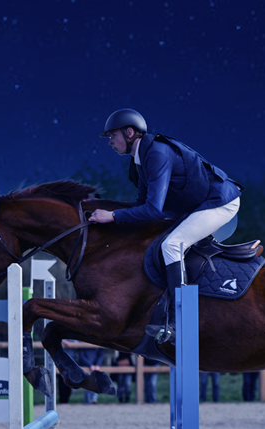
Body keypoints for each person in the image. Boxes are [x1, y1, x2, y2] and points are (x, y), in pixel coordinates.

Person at [88, 108, 243, 343]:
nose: (110, 142)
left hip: (220, 202)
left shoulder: (156, 153)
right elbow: (141, 205)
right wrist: (109, 213)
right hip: (199, 205)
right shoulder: (140, 160)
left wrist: (112, 216)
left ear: (129, 132)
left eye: (112, 135)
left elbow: (153, 210)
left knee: (172, 245)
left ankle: (177, 320)